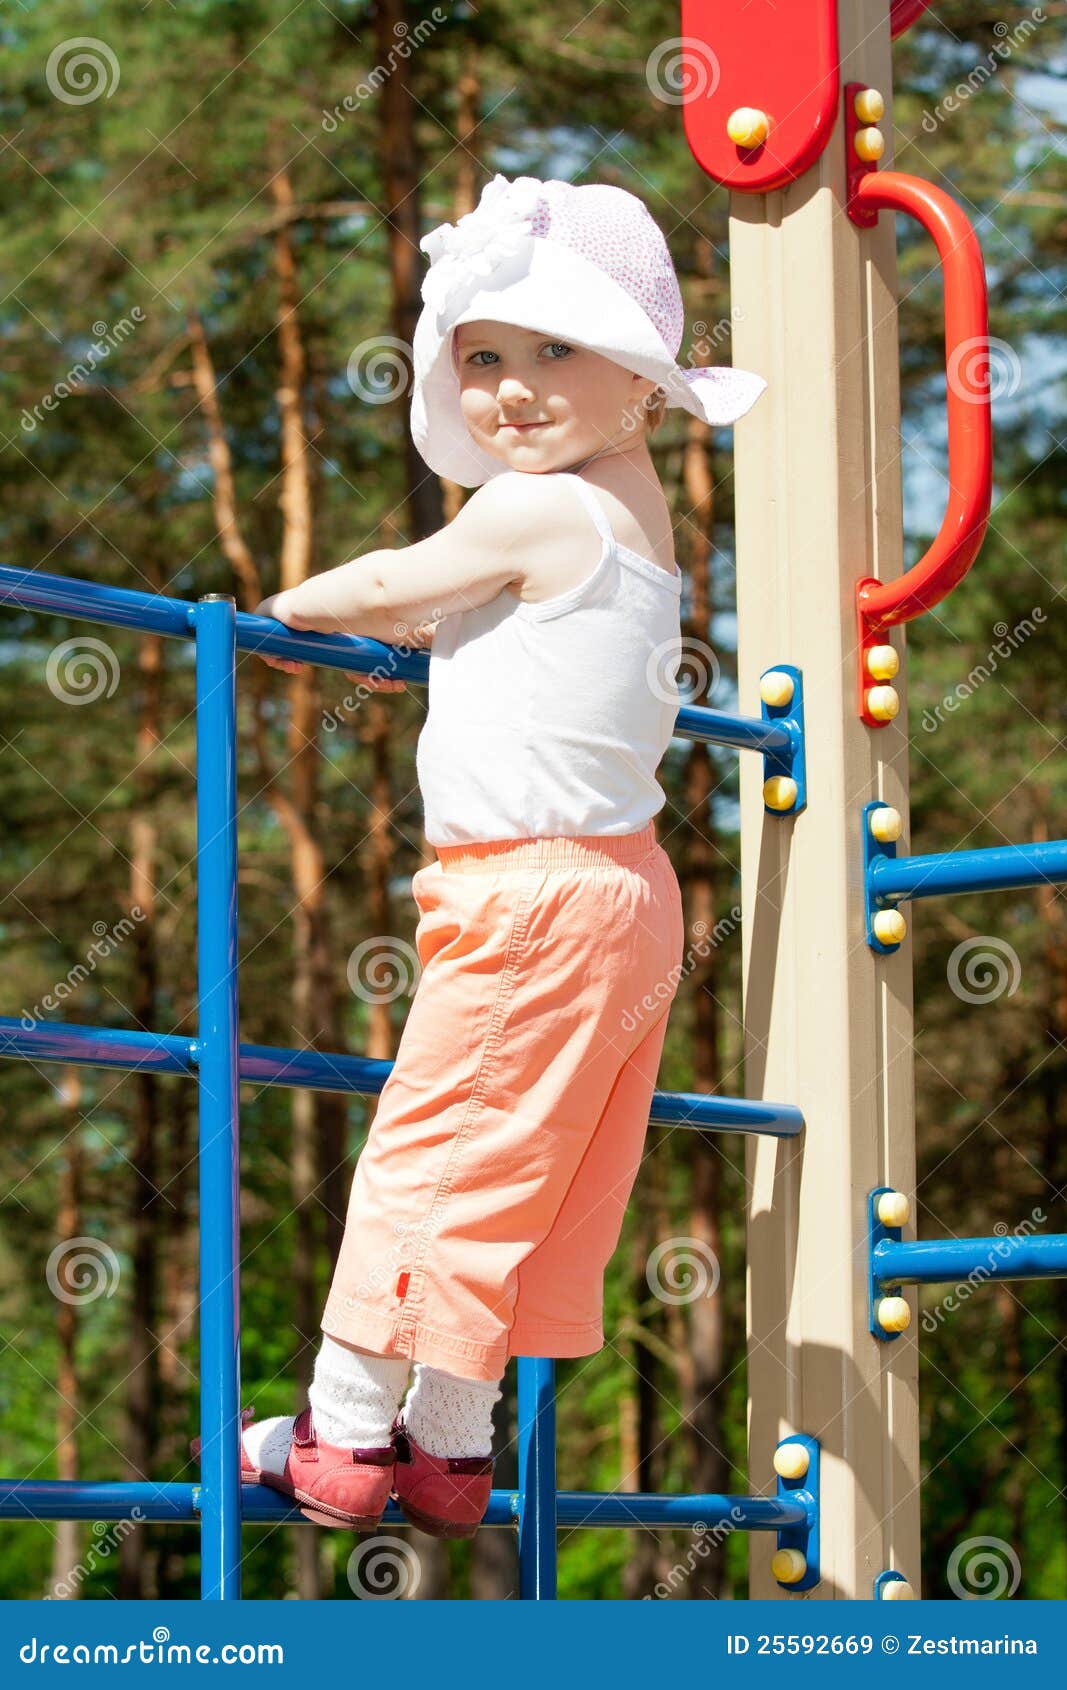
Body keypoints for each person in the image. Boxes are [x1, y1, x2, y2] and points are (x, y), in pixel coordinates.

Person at [224, 173, 766, 1538]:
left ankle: (342, 1430)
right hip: (625, 889)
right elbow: (497, 632)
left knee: (436, 1143)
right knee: (532, 1166)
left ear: (639, 375)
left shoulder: (533, 513)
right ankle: (450, 1442)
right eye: (482, 358)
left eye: (553, 353)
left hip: (526, 887)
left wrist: (288, 608)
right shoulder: (635, 517)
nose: (511, 391)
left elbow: (398, 584)